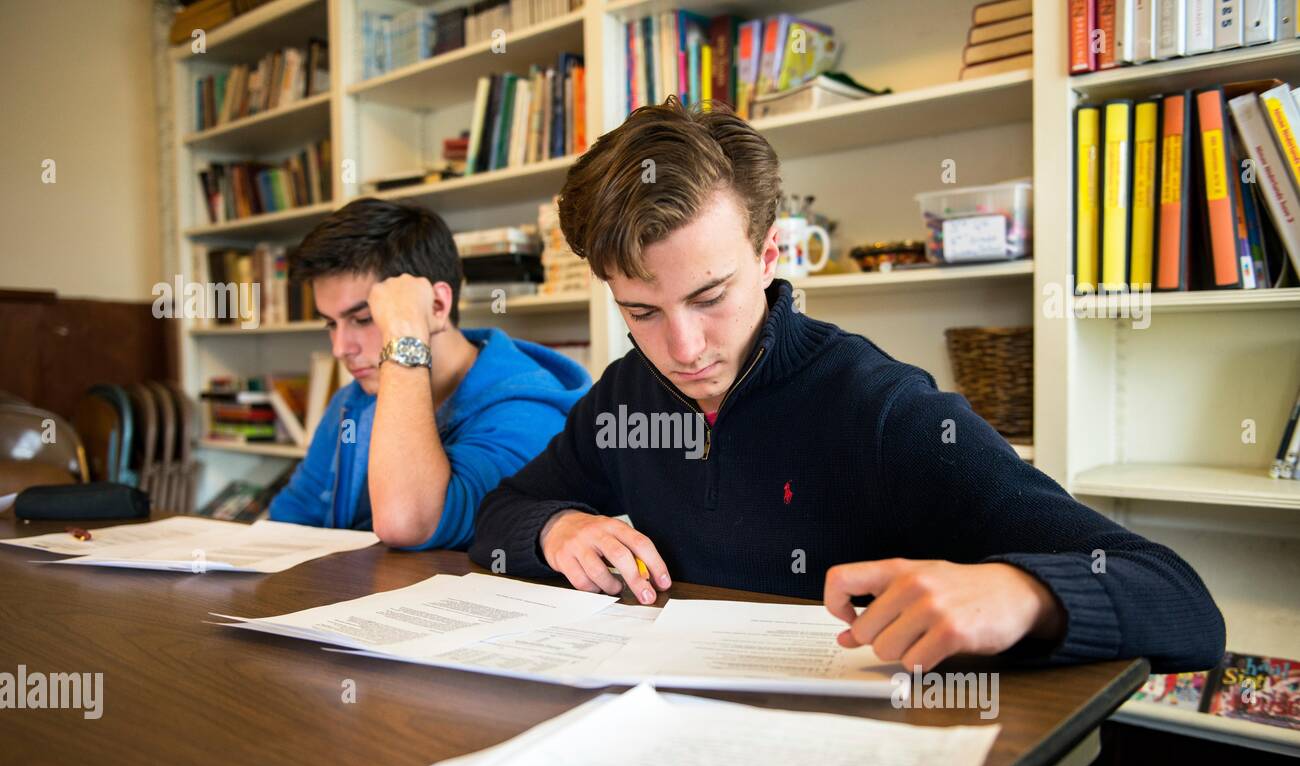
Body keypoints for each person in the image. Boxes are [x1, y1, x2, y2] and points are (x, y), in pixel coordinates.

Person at [469, 98, 1225, 674]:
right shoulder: (624, 397)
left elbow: (1183, 602)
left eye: (709, 297)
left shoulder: (882, 409)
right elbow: (502, 510)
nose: (683, 349)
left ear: (770, 253)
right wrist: (557, 528)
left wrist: (1022, 592)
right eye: (641, 310)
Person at [269, 198, 590, 549]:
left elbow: (408, 522)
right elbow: (289, 521)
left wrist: (405, 337)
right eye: (331, 323)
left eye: (363, 319)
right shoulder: (353, 401)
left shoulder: (529, 414)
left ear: (436, 305)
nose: (340, 348)